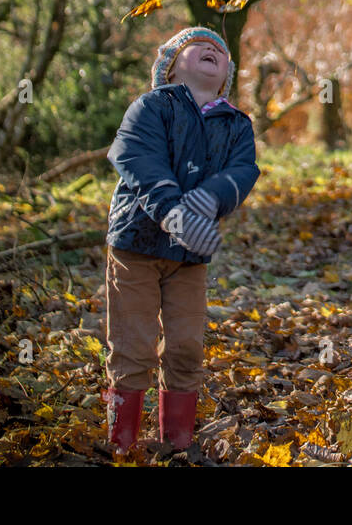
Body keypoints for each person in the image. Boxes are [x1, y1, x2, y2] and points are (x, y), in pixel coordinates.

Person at [102, 26, 260, 453]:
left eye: (221, 50)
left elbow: (244, 171)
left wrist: (212, 197)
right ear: (170, 66)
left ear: (226, 74)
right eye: (198, 45)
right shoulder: (151, 107)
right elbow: (138, 159)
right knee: (133, 345)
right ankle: (123, 443)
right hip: (136, 244)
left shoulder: (237, 124)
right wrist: (175, 214)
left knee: (187, 345)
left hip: (189, 257)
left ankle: (177, 442)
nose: (213, 48)